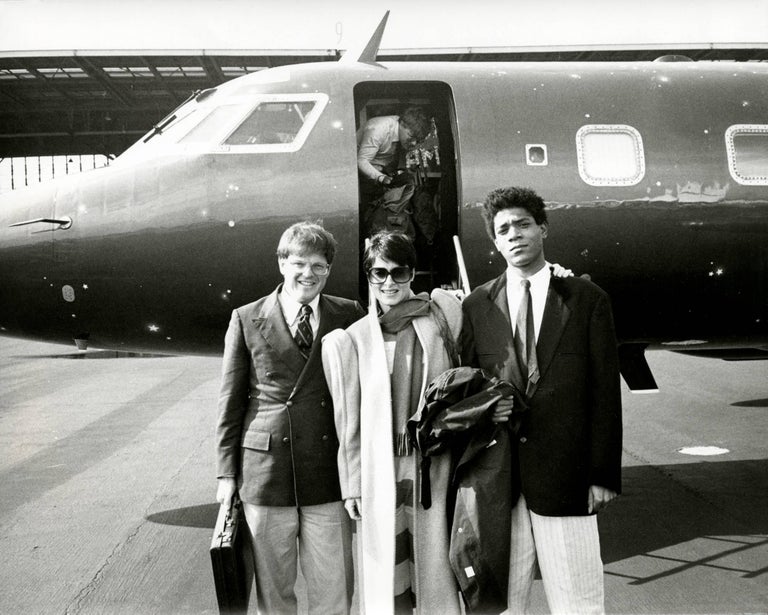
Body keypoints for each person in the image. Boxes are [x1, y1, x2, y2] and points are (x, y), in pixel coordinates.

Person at [460, 186, 623, 615]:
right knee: (502, 604)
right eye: (503, 229)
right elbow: (467, 388)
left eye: (523, 224)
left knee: (579, 602)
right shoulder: (476, 305)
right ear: (494, 241)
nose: (514, 234)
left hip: (567, 477)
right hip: (500, 483)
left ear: (543, 228)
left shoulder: (587, 300)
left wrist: (602, 474)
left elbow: (605, 393)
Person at [215, 221, 365, 615]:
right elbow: (230, 403)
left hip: (328, 473)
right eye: (299, 263)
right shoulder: (246, 318)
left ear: (329, 270)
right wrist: (227, 476)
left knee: (334, 590)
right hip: (265, 474)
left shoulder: (348, 314)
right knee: (273, 593)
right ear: (282, 263)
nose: (308, 274)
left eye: (318, 266)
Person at [321, 231, 464, 615]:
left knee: (434, 565)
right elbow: (348, 421)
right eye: (378, 273)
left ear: (413, 273)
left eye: (399, 272)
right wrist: (351, 485)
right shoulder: (355, 337)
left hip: (432, 462)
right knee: (389, 567)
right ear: (368, 276)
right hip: (381, 467)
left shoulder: (440, 315)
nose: (389, 283)